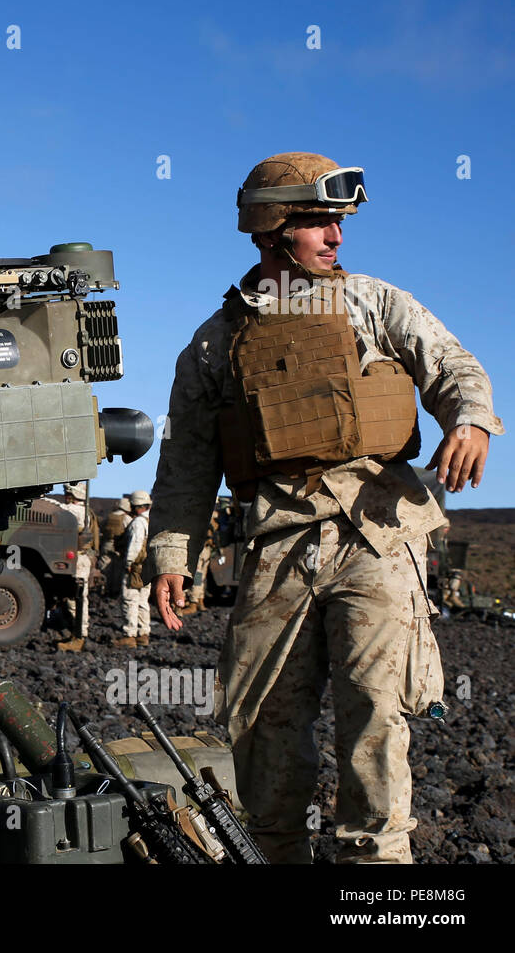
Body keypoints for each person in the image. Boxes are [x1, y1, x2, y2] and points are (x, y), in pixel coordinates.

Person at [147, 152, 502, 863]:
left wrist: (469, 420)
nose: (337, 236)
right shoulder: (215, 344)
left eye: (339, 222)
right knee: (262, 724)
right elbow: (186, 459)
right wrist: (172, 554)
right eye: (317, 222)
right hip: (277, 546)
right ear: (271, 229)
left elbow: (454, 366)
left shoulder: (373, 302)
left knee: (376, 715)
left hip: (375, 534)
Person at [52, 481, 96, 651]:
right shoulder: (86, 511)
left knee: (78, 598)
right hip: (81, 560)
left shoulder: (77, 511)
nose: (66, 497)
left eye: (68, 494)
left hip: (79, 560)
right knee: (76, 598)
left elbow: (59, 508)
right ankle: (77, 633)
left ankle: (79, 636)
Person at [114, 490, 151, 647]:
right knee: (143, 601)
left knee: (129, 599)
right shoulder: (152, 520)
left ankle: (129, 635)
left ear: (136, 506)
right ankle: (143, 634)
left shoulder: (138, 523)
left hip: (135, 568)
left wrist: (128, 563)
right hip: (148, 567)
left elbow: (135, 545)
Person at [96, 496, 132, 594]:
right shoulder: (127, 518)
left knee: (104, 567)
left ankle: (102, 589)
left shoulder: (109, 516)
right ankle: (114, 591)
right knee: (117, 570)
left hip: (106, 544)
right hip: (118, 546)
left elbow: (101, 528)